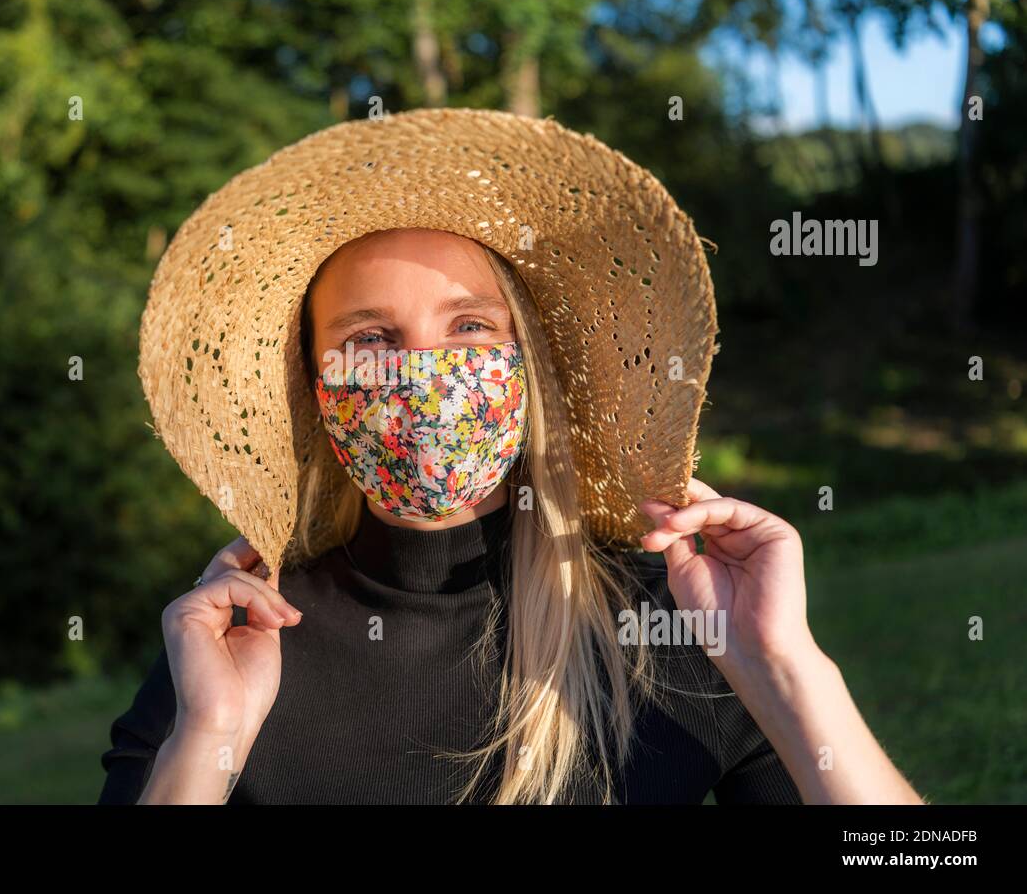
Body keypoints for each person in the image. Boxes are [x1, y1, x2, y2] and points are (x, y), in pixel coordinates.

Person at [99, 108, 923, 805]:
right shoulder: (236, 651)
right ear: (314, 386)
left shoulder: (669, 619)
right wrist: (208, 741)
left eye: (469, 328)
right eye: (371, 338)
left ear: (527, 363)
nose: (425, 376)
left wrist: (785, 668)